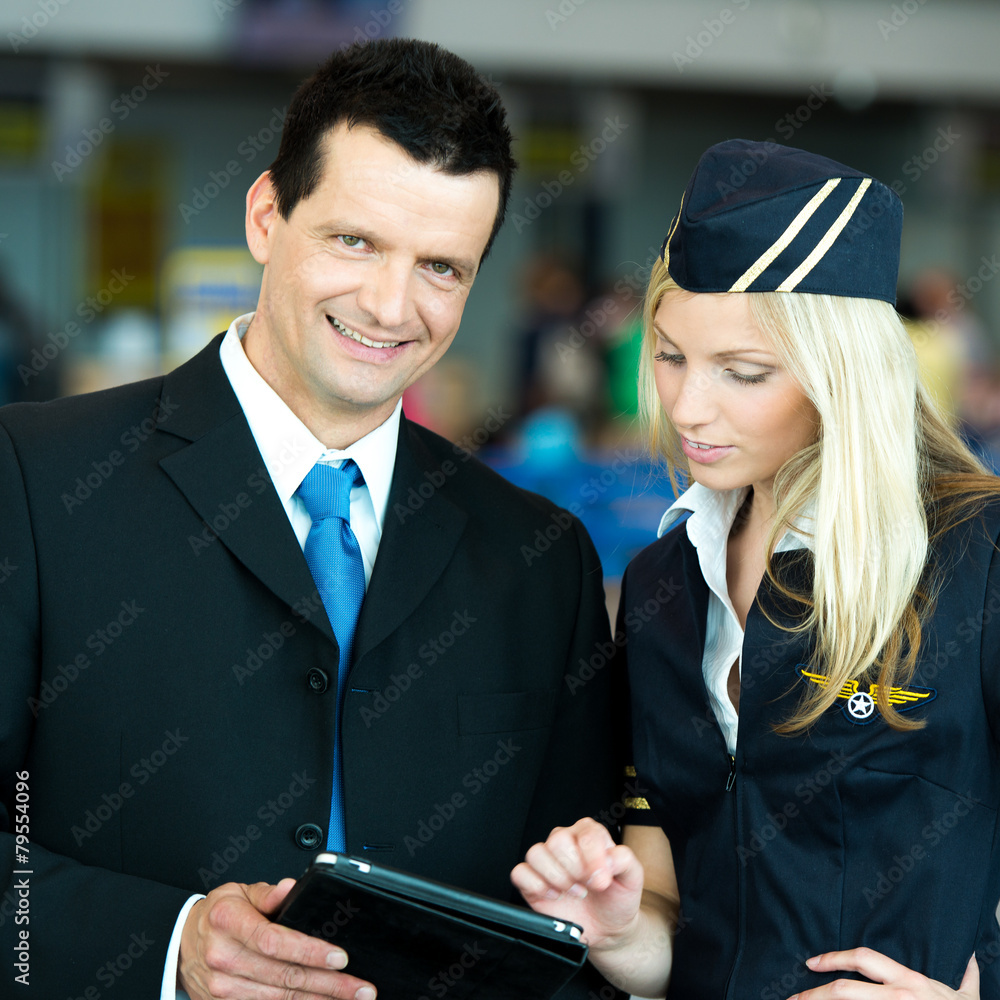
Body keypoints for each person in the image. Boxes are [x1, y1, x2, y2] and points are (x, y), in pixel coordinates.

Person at [0, 39, 622, 1000]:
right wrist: (170, 947)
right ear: (264, 215)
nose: (389, 305)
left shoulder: (541, 562)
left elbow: (575, 945)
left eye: (442, 268)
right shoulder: (35, 481)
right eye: (354, 241)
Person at [512, 139, 1000, 998]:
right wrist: (617, 929)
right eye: (669, 356)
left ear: (842, 376)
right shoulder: (664, 582)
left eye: (743, 373)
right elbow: (674, 919)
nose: (688, 406)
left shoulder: (978, 555)